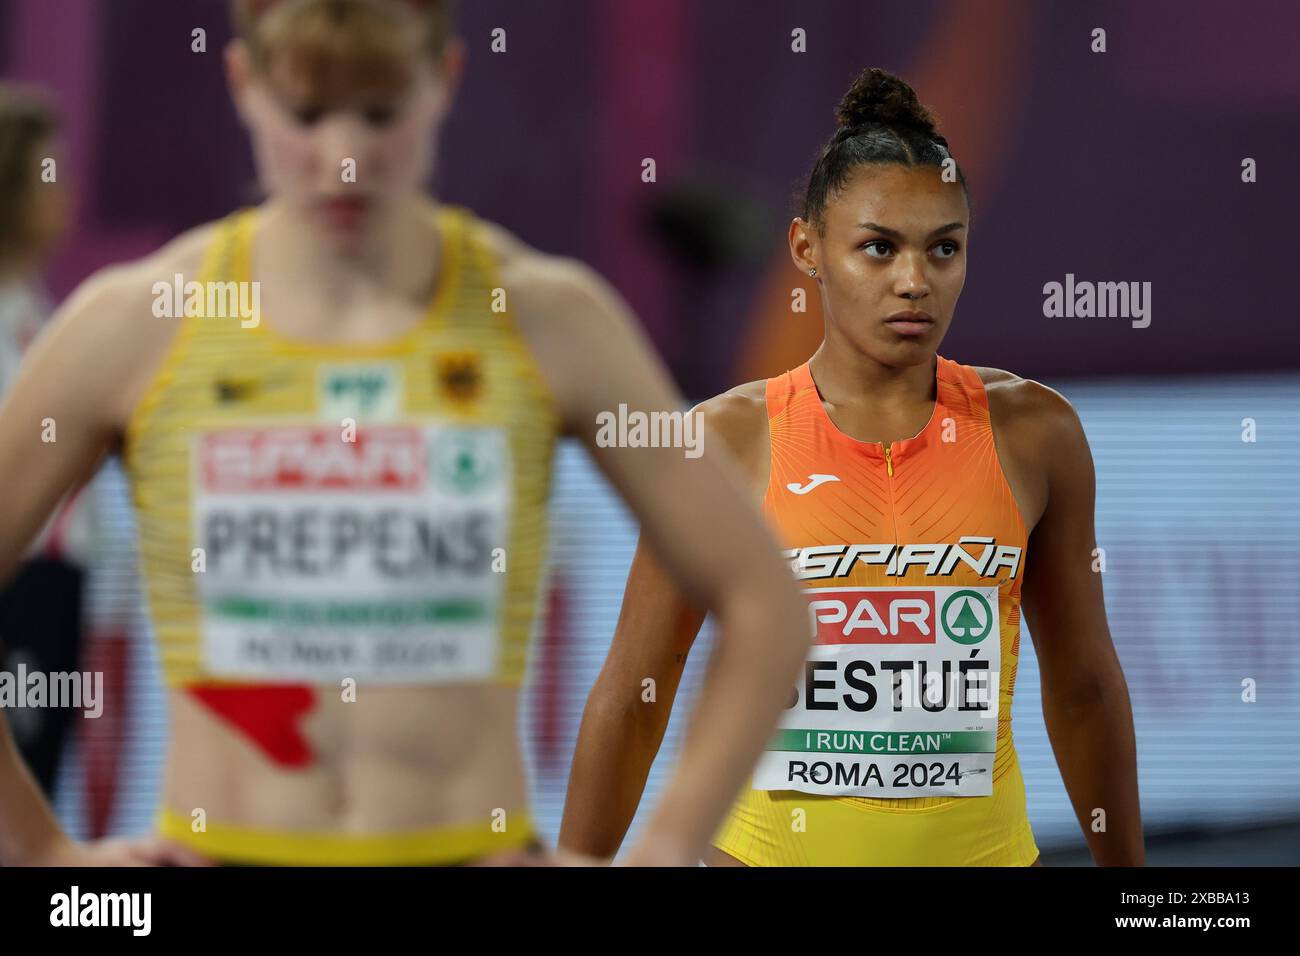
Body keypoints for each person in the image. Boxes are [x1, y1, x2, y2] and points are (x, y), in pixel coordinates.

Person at [0, 0, 808, 867]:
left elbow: (766, 605)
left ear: (444, 81)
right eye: (306, 115)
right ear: (243, 84)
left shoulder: (549, 318)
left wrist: (666, 850)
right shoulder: (138, 322)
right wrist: (43, 852)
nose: (344, 160)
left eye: (381, 113)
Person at [559, 67, 1144, 866]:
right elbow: (634, 691)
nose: (915, 282)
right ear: (807, 247)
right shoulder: (724, 441)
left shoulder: (1036, 435)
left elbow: (1083, 686)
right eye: (879, 247)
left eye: (945, 248)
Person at [0, 84, 97, 798]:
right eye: (49, 174)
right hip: (18, 584)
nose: (66, 191)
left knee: (43, 787)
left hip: (59, 589)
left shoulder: (46, 315)